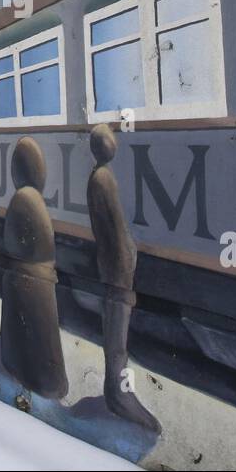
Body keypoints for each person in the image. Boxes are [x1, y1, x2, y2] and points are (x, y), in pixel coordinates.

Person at [87, 124, 159, 431]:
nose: (114, 144)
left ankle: (117, 389)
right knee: (117, 339)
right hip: (117, 270)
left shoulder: (99, 177)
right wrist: (129, 256)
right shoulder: (104, 179)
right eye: (109, 140)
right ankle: (117, 392)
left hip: (112, 267)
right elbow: (116, 228)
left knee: (116, 335)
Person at [0, 136, 68, 399]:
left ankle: (25, 368)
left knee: (21, 336)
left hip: (23, 279)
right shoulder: (30, 200)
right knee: (40, 341)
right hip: (36, 283)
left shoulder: (21, 198)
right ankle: (45, 380)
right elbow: (41, 247)